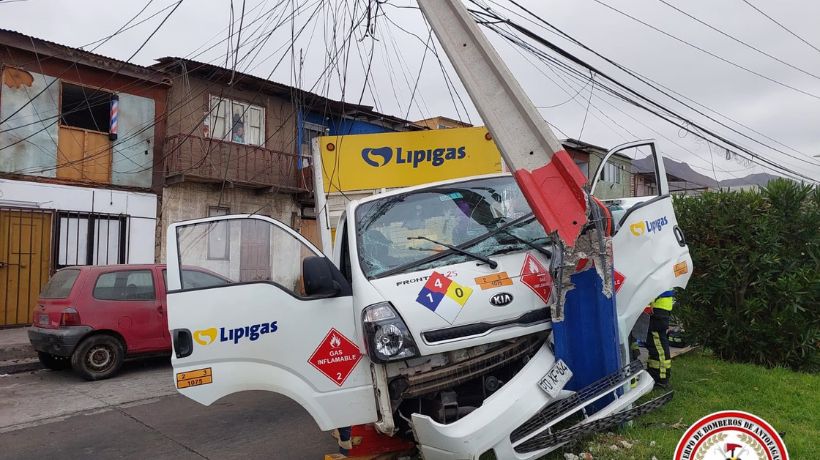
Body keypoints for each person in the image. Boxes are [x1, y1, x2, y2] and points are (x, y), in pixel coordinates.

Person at [646, 290, 675, 388]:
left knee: (658, 347)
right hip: (659, 308)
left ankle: (661, 378)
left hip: (656, 309)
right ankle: (654, 373)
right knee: (654, 344)